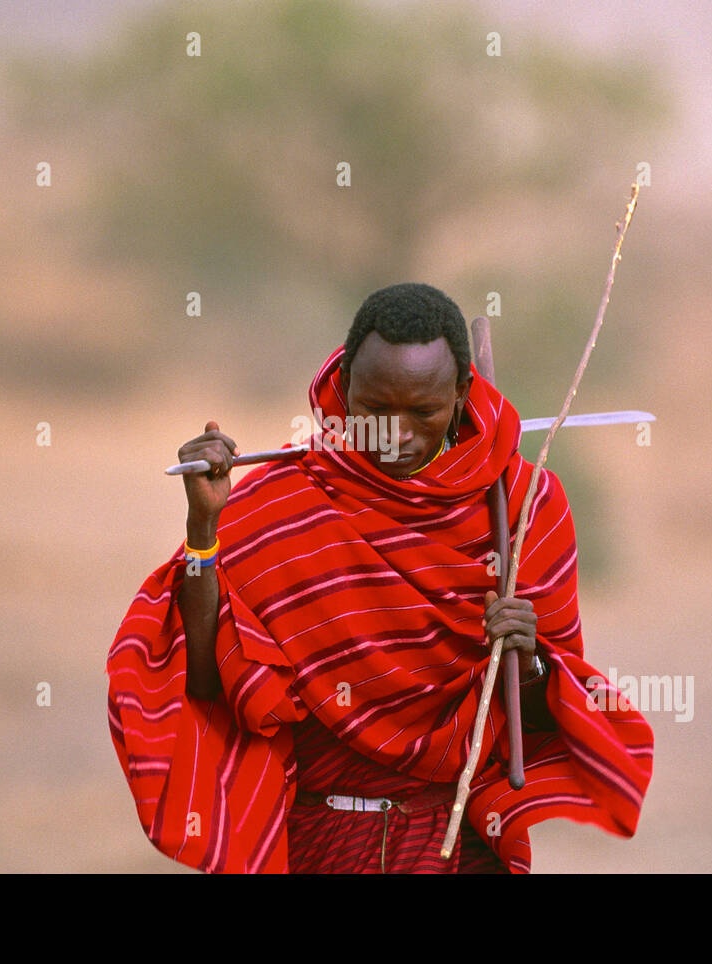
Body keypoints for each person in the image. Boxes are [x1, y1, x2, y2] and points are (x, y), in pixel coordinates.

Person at [106, 282, 653, 873]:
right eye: (376, 409)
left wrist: (526, 660)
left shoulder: (521, 508)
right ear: (344, 391)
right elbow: (209, 681)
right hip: (320, 841)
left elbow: (544, 719)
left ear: (463, 395)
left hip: (454, 845)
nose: (398, 434)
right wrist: (203, 528)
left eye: (423, 411)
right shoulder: (282, 503)